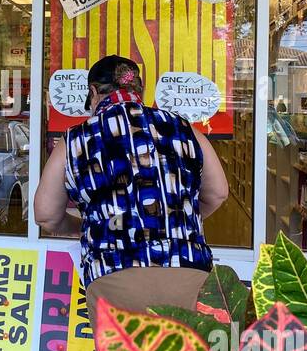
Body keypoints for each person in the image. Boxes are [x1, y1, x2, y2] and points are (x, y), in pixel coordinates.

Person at [33, 55, 228, 317]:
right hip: (188, 268)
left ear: (93, 92)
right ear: (140, 90)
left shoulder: (74, 138)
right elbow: (218, 193)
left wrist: (84, 226)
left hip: (113, 273)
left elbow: (45, 214)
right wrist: (169, 219)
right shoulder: (183, 128)